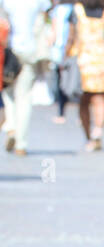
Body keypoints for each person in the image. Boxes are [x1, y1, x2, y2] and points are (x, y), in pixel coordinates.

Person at [0, 0, 52, 156]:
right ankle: (21, 143)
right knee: (25, 96)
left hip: (10, 50)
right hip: (30, 51)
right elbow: (45, 18)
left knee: (8, 92)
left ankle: (11, 127)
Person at [68, 0, 104, 150]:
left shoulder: (77, 10)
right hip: (102, 59)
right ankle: (98, 131)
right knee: (100, 98)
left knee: (84, 100)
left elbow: (71, 36)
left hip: (83, 60)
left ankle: (88, 136)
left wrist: (66, 55)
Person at [47, 0, 74, 124]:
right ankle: (78, 112)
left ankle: (61, 112)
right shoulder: (75, 8)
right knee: (73, 80)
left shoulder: (58, 10)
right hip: (72, 50)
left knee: (60, 80)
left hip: (60, 49)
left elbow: (54, 31)